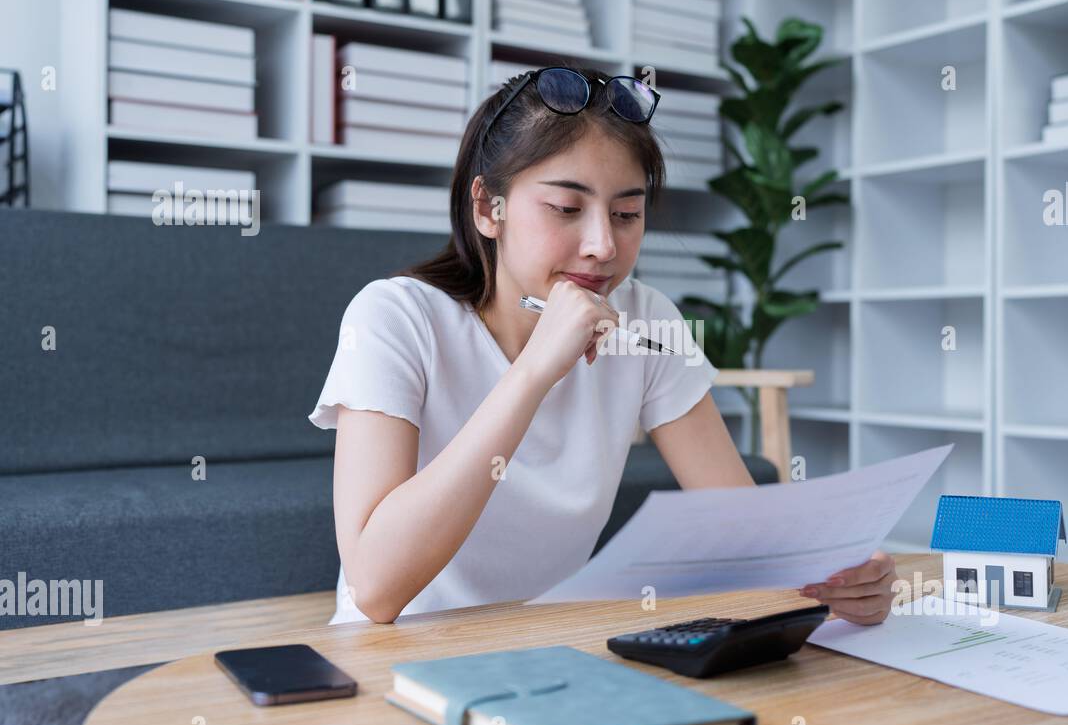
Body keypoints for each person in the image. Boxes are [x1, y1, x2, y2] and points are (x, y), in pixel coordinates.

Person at [308, 66, 896, 625]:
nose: (602, 246)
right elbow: (375, 590)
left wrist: (835, 574)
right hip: (393, 661)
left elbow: (743, 528)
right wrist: (535, 370)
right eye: (566, 208)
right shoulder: (394, 317)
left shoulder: (644, 320)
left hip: (549, 656)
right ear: (489, 207)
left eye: (626, 214)